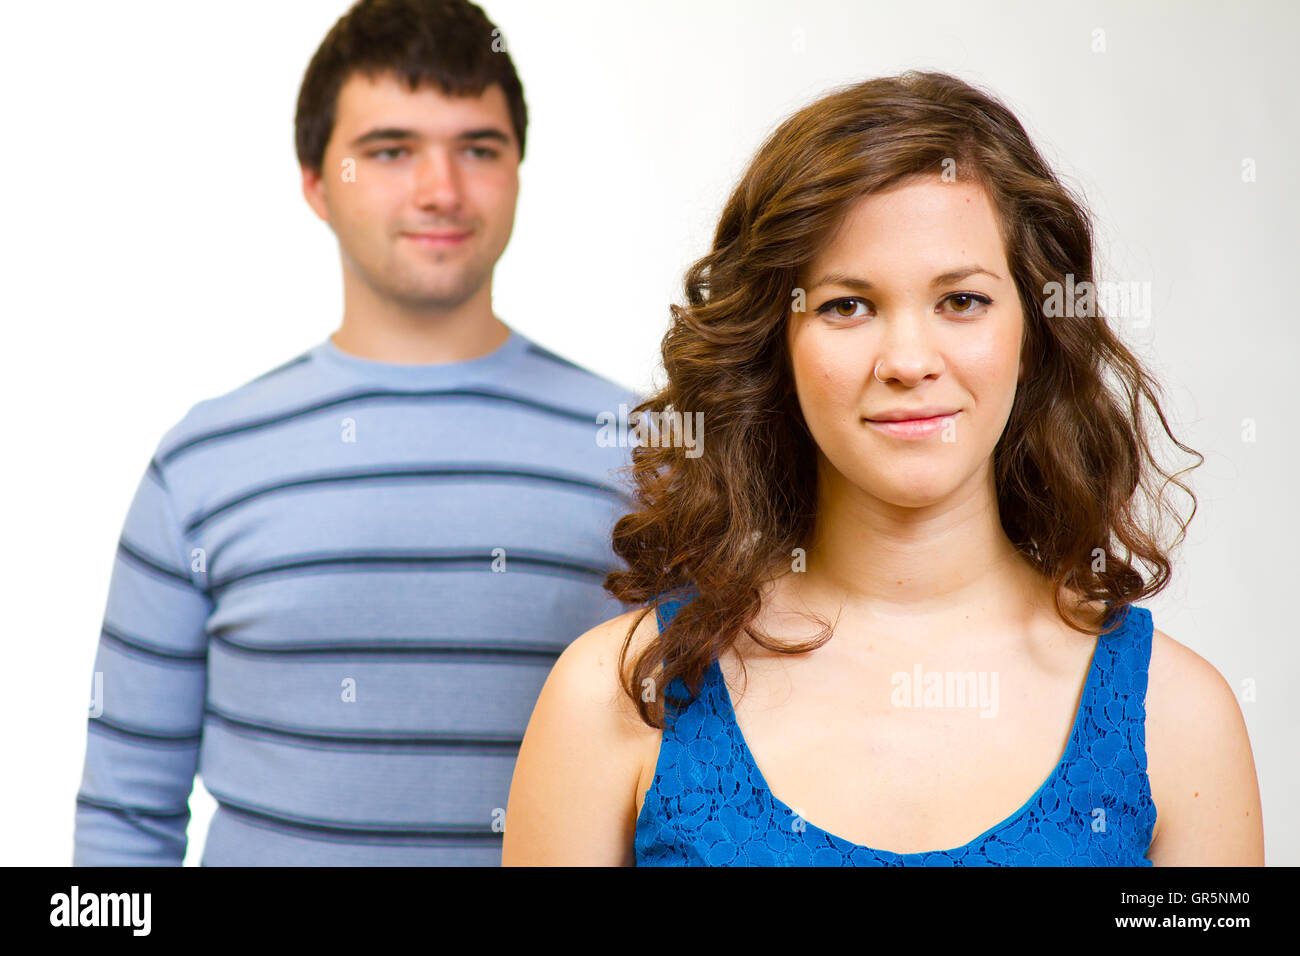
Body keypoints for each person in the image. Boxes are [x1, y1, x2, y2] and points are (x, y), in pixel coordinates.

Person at [502, 70, 1265, 866]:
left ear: (1034, 332)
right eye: (846, 306)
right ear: (777, 345)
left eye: (961, 300)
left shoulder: (1178, 720)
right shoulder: (615, 695)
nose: (907, 360)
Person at [73, 0, 640, 866]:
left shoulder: (644, 452)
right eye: (390, 150)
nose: (440, 189)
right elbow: (123, 818)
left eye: (478, 148)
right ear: (315, 183)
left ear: (518, 170)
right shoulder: (201, 464)